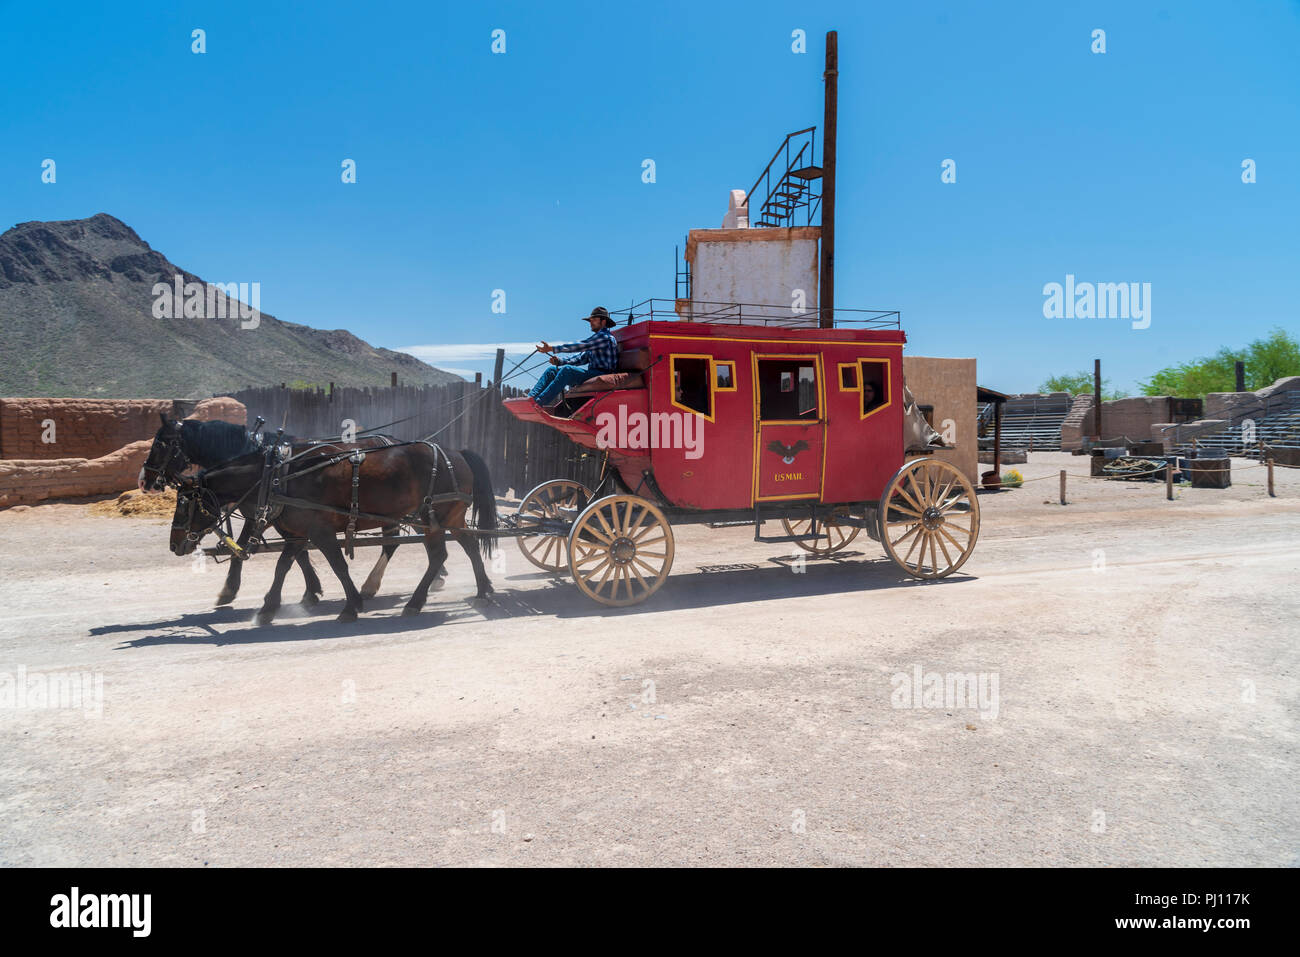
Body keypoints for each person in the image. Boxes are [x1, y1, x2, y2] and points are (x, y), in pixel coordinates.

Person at [528, 306, 620, 408]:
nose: (591, 323)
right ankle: (530, 399)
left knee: (568, 370)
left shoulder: (605, 338)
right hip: (593, 373)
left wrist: (552, 348)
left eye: (594, 320)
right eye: (590, 320)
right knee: (551, 370)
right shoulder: (596, 340)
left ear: (603, 322)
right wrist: (560, 361)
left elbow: (579, 346)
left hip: (603, 373)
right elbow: (580, 358)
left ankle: (539, 402)